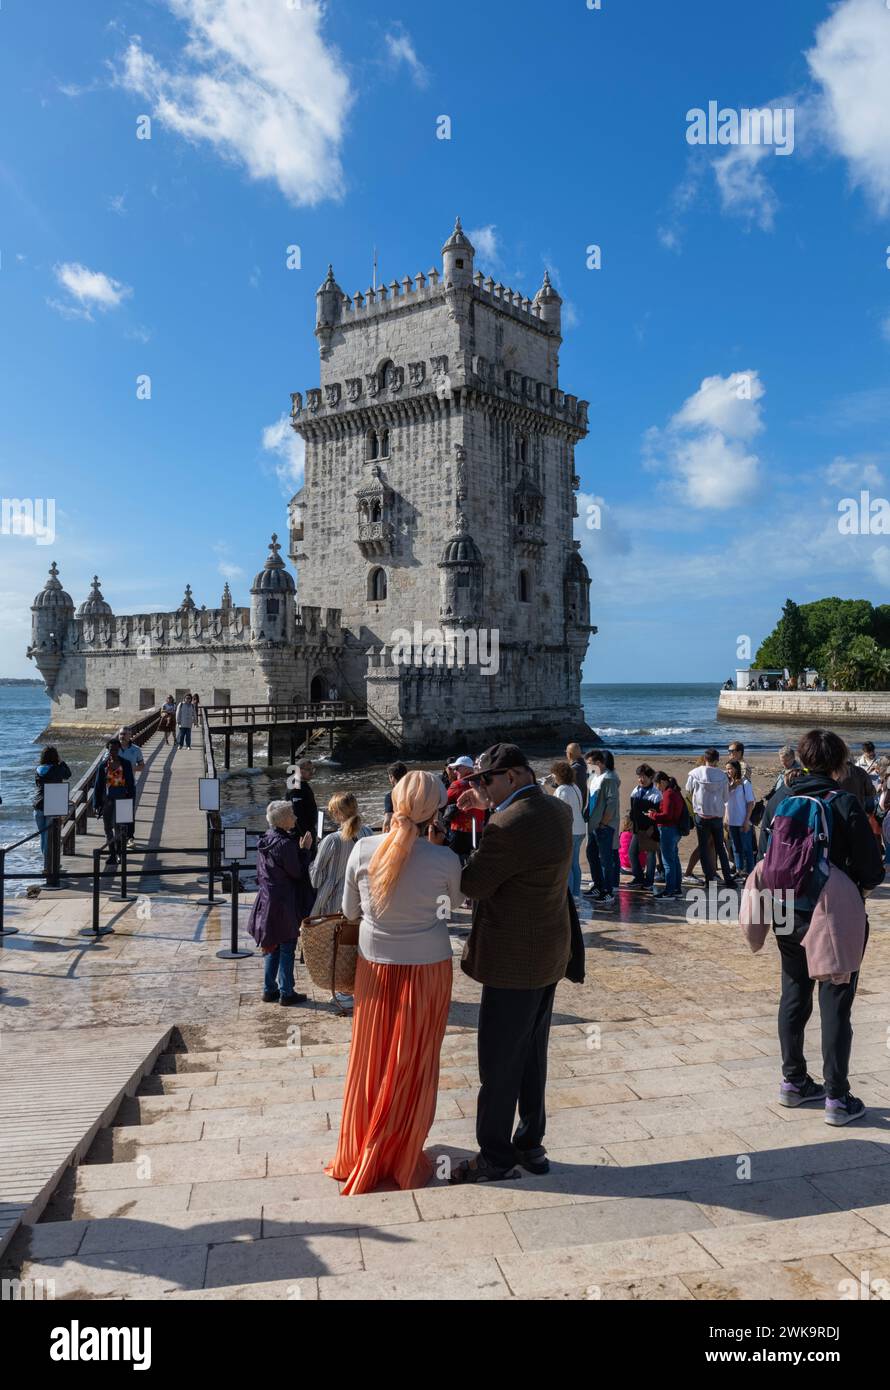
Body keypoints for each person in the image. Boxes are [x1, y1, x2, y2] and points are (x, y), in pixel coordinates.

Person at [327, 770, 460, 1194]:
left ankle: (363, 1145)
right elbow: (451, 910)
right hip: (428, 966)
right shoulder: (445, 859)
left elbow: (349, 913)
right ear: (434, 813)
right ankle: (400, 1147)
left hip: (375, 966)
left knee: (372, 1056)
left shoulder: (363, 849)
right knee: (414, 1060)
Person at [448, 743, 573, 1183]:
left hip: (513, 960)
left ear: (515, 776)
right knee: (532, 1056)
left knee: (499, 1061)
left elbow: (473, 884)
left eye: (485, 781)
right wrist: (486, 809)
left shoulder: (508, 824)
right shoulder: (558, 811)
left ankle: (495, 1157)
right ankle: (531, 1144)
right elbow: (519, 862)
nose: (479, 787)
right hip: (550, 953)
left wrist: (447, 841)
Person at [758, 730, 884, 1125]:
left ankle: (793, 1083)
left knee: (793, 993)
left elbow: (764, 849)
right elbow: (873, 870)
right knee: (835, 1000)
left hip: (782, 907)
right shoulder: (843, 802)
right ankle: (837, 1098)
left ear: (803, 759)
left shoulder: (780, 798)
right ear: (838, 763)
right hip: (829, 912)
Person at [247, 800, 314, 1006]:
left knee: (272, 944)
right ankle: (286, 992)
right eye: (292, 815)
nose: (295, 817)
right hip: (284, 900)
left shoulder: (266, 839)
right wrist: (305, 850)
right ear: (283, 820)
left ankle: (269, 989)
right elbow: (297, 872)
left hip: (267, 899)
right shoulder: (285, 844)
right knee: (287, 945)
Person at [309, 792, 372, 916]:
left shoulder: (331, 840)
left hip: (334, 906)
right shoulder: (368, 833)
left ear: (337, 813)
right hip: (362, 902)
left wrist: (310, 855)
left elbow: (315, 881)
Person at [687, 748, 733, 887]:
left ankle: (709, 879)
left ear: (705, 758)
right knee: (720, 848)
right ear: (717, 760)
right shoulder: (722, 775)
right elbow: (726, 797)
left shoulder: (695, 773)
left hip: (701, 814)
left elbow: (688, 789)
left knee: (704, 847)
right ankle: (728, 879)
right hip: (716, 815)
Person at [584, 749, 621, 904]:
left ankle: (608, 890)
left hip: (604, 826)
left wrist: (603, 823)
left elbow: (612, 803)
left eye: (590, 763)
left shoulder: (609, 778)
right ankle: (598, 886)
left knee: (605, 859)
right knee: (591, 855)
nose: (588, 766)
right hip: (592, 825)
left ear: (599, 763)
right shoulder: (594, 777)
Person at [92, 739, 136, 865]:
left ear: (119, 750)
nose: (113, 752)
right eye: (111, 749)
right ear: (108, 749)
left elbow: (131, 784)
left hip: (123, 800)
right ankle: (112, 854)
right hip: (107, 801)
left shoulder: (126, 764)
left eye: (116, 749)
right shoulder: (103, 766)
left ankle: (120, 854)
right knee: (107, 828)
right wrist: (96, 804)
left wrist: (131, 802)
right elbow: (98, 786)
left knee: (119, 829)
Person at [551, 759, 586, 901]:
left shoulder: (562, 790)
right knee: (574, 863)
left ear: (559, 775)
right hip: (580, 828)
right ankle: (576, 893)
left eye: (554, 775)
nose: (553, 777)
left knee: (568, 865)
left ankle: (569, 896)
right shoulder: (574, 787)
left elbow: (561, 812)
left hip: (570, 830)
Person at [647, 772, 685, 898]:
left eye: (657, 784)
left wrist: (653, 815)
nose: (657, 788)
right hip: (675, 829)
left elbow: (667, 815)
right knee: (674, 860)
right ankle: (677, 889)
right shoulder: (675, 791)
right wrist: (657, 812)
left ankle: (669, 891)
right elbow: (670, 812)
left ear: (662, 782)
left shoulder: (668, 793)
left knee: (668, 861)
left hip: (668, 830)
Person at [444, 756, 486, 864]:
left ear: (465, 768)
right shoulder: (482, 783)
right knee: (476, 861)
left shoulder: (457, 784)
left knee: (455, 861)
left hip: (459, 831)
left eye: (457, 768)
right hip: (478, 830)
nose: (455, 771)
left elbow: (442, 800)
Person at [33, 747, 72, 858]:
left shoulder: (38, 769)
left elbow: (38, 785)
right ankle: (48, 866)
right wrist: (61, 761)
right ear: (56, 757)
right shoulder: (57, 769)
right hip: (52, 805)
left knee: (44, 836)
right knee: (49, 838)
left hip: (38, 805)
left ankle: (47, 864)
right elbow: (68, 774)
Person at [628, 764, 661, 889]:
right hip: (637, 828)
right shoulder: (635, 791)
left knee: (650, 855)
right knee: (632, 852)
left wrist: (652, 828)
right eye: (639, 776)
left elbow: (657, 814)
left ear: (651, 777)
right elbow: (632, 810)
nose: (641, 779)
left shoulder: (656, 794)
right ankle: (639, 878)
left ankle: (649, 881)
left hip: (650, 829)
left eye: (644, 777)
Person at [114, 727, 145, 849]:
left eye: (124, 734)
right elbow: (104, 763)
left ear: (129, 736)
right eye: (120, 734)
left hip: (130, 785)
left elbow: (142, 765)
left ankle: (130, 837)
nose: (121, 736)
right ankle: (118, 837)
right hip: (115, 785)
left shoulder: (136, 750)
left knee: (129, 812)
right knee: (115, 812)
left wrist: (131, 768)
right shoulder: (113, 749)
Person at [725, 758, 755, 875]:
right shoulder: (727, 784)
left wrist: (747, 821)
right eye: (727, 769)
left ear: (736, 769)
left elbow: (750, 803)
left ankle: (750, 873)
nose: (728, 771)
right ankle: (739, 870)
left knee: (747, 849)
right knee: (736, 848)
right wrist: (726, 819)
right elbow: (724, 801)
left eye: (730, 768)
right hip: (731, 821)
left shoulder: (745, 783)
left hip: (743, 820)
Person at [289, 759, 319, 845]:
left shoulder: (303, 785)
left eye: (313, 769)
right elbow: (297, 815)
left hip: (308, 833)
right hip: (301, 837)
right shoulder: (296, 788)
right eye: (309, 770)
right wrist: (306, 837)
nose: (312, 773)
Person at [381, 761, 408, 833]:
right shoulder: (413, 793)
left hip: (399, 833)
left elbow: (387, 821)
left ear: (392, 777)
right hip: (415, 832)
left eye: (389, 777)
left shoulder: (390, 796)